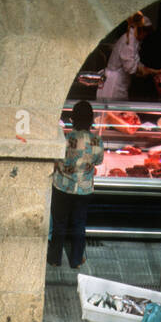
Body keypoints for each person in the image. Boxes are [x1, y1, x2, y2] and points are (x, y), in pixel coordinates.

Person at [47, 100, 104, 270]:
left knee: (59, 224)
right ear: (91, 120)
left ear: (72, 119)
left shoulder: (65, 139)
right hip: (84, 189)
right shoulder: (97, 141)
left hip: (62, 187)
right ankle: (76, 260)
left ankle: (55, 259)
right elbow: (98, 161)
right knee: (79, 224)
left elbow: (56, 159)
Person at [98, 12, 158, 101]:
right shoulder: (129, 40)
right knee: (111, 111)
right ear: (141, 30)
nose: (145, 36)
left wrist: (148, 70)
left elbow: (134, 61)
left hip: (120, 82)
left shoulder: (134, 40)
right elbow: (130, 67)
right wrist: (145, 71)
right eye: (146, 33)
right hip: (114, 83)